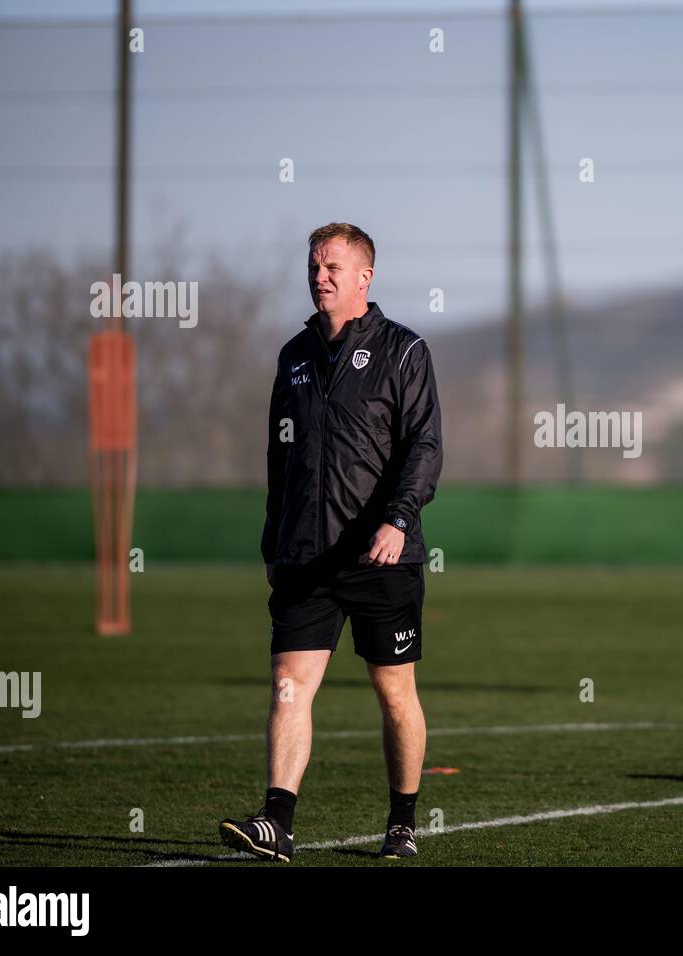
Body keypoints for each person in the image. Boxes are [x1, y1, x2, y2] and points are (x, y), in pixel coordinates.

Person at [219, 222, 442, 861]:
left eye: (334, 267)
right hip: (304, 558)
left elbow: (425, 447)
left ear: (365, 277)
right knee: (289, 684)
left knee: (394, 691)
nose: (321, 275)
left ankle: (402, 821)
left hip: (381, 555)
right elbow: (277, 456)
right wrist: (274, 541)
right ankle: (276, 822)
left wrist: (397, 520)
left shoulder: (405, 351)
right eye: (314, 265)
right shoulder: (292, 355)